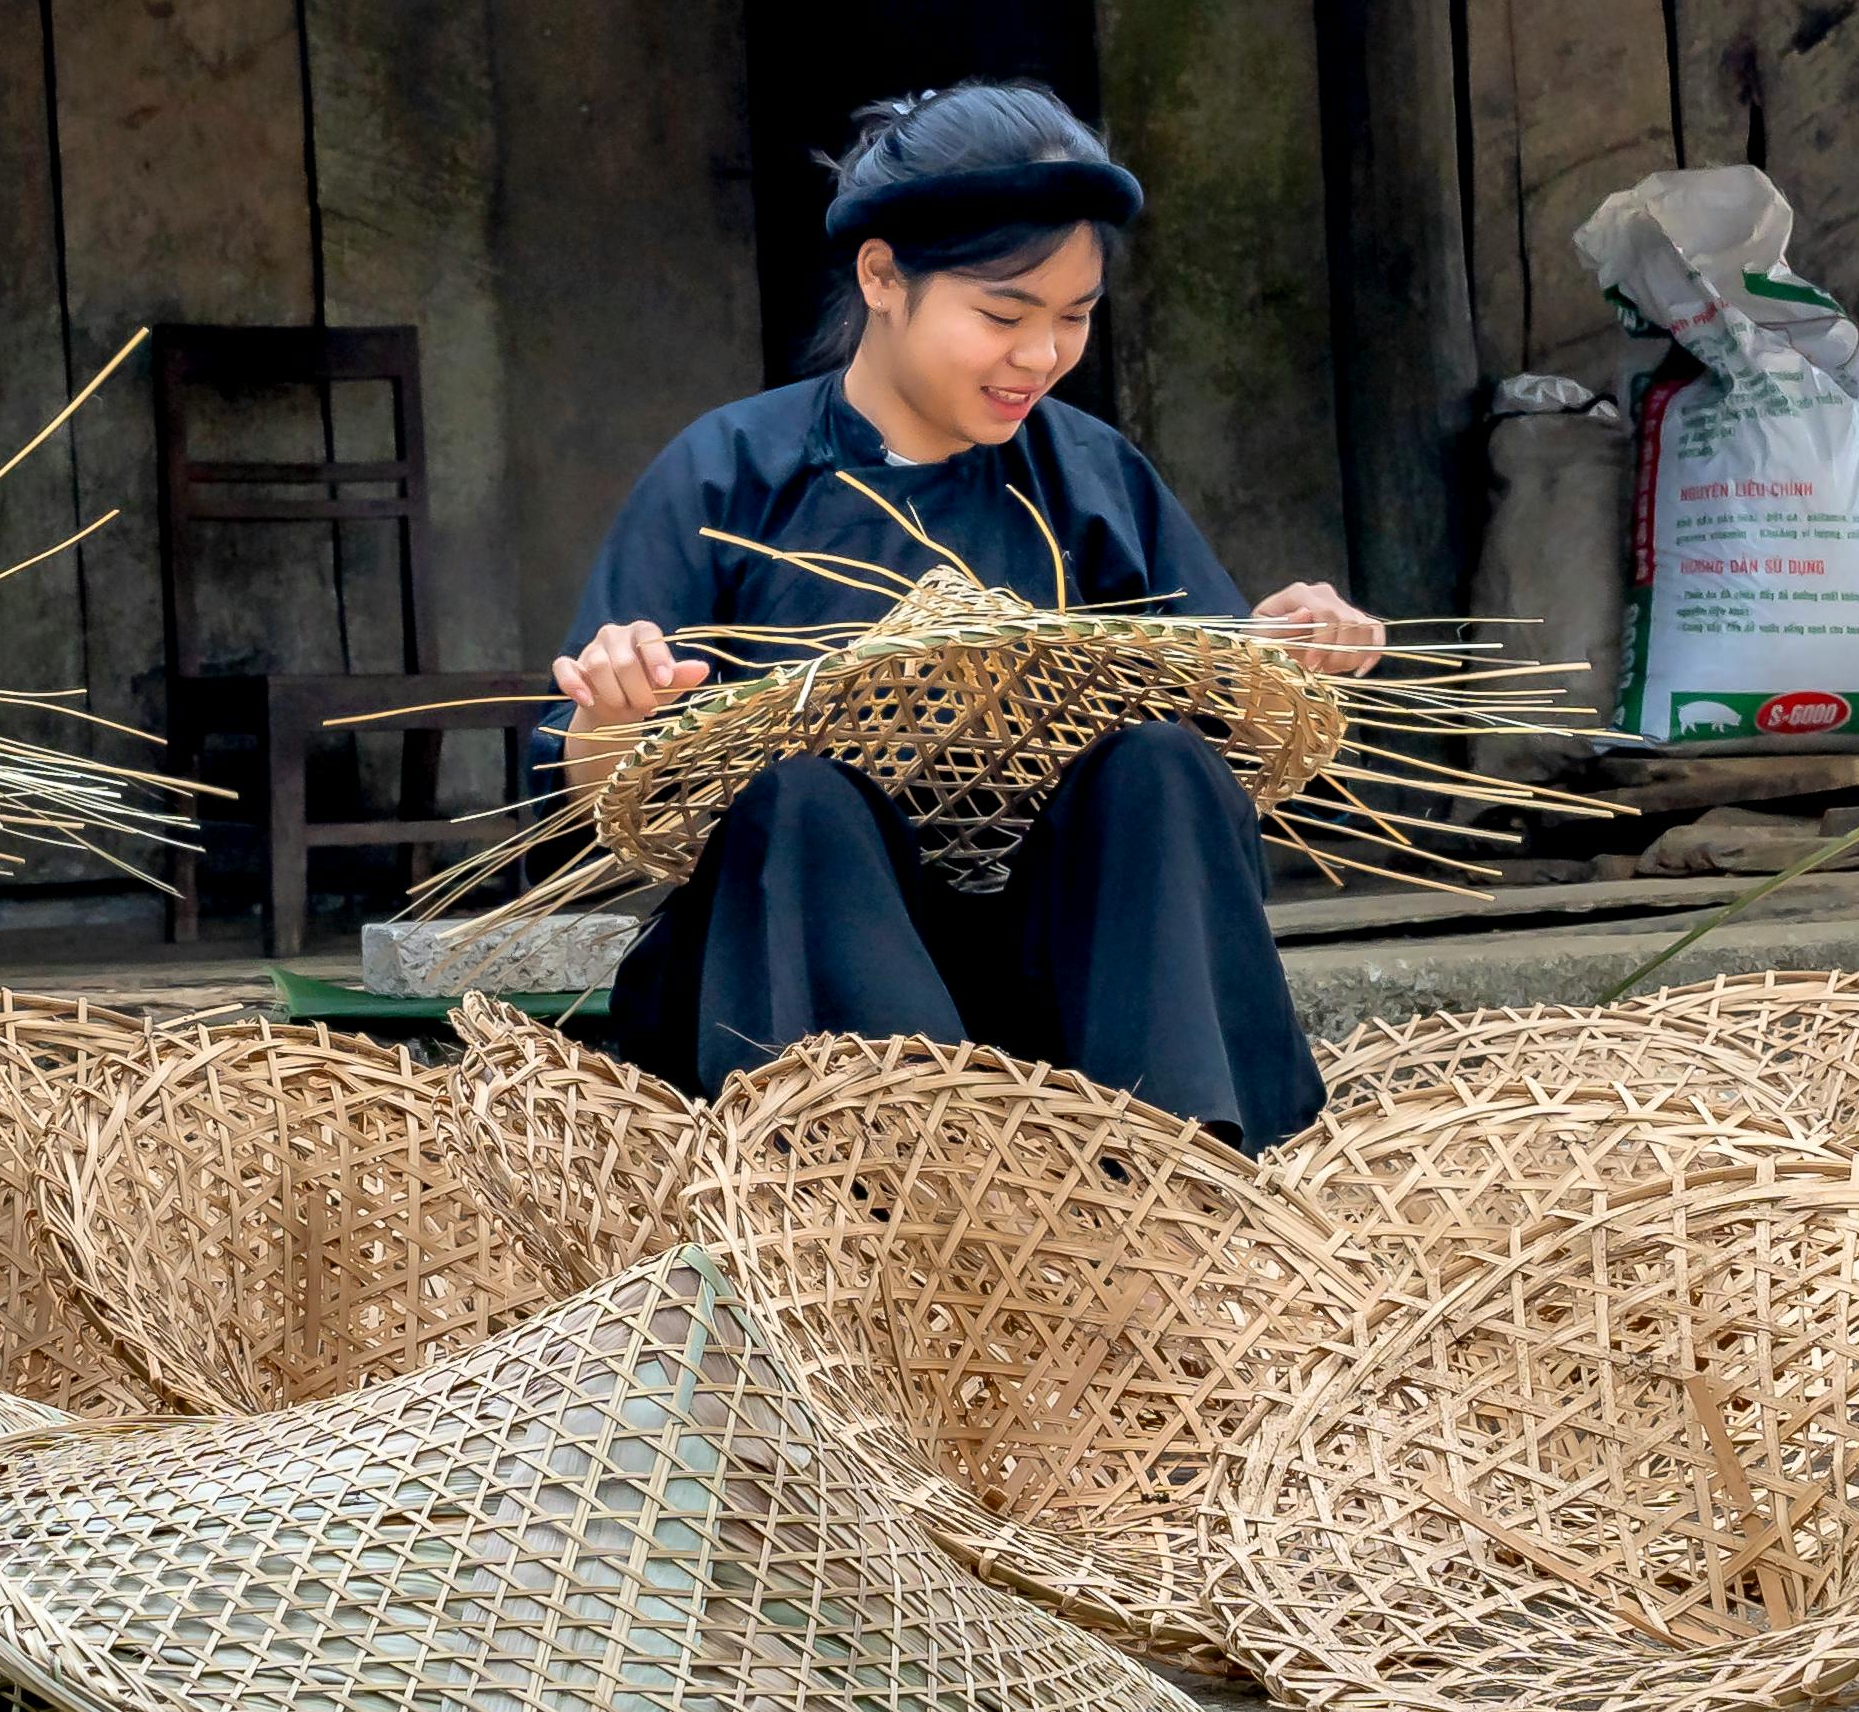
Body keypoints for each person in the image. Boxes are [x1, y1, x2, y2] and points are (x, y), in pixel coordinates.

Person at [545, 83, 1385, 1143]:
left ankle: (1185, 1166)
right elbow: (592, 798)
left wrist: (1295, 661)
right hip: (796, 1010)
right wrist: (614, 712)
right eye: (1002, 316)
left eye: (1072, 318)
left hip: (1071, 1019)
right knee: (799, 803)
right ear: (882, 276)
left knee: (1166, 767)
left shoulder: (1092, 479)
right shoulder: (728, 474)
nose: (1039, 358)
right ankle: (894, 1172)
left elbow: (1237, 741)